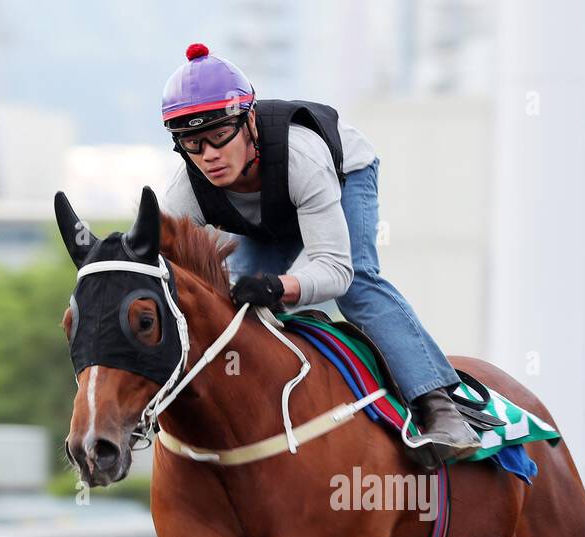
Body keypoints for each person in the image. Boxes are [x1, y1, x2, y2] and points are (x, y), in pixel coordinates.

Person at [158, 42, 480, 461]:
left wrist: (279, 286)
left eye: (219, 137)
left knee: (359, 285)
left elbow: (336, 270)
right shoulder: (183, 194)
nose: (210, 156)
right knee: (233, 306)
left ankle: (439, 406)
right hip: (270, 211)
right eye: (192, 144)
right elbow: (159, 277)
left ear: (249, 121)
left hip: (342, 177)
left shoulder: (303, 158)